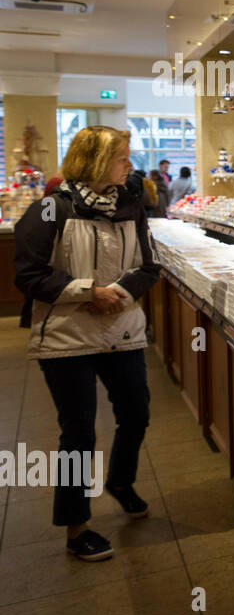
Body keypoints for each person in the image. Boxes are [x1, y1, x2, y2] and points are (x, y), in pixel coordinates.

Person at [12, 126, 160, 562]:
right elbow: (28, 272)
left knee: (136, 413)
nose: (129, 165)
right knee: (78, 431)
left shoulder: (131, 206)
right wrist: (87, 292)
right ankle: (77, 527)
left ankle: (120, 480)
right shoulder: (48, 210)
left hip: (123, 331)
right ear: (95, 162)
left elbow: (149, 265)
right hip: (67, 337)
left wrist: (119, 293)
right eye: (121, 158)